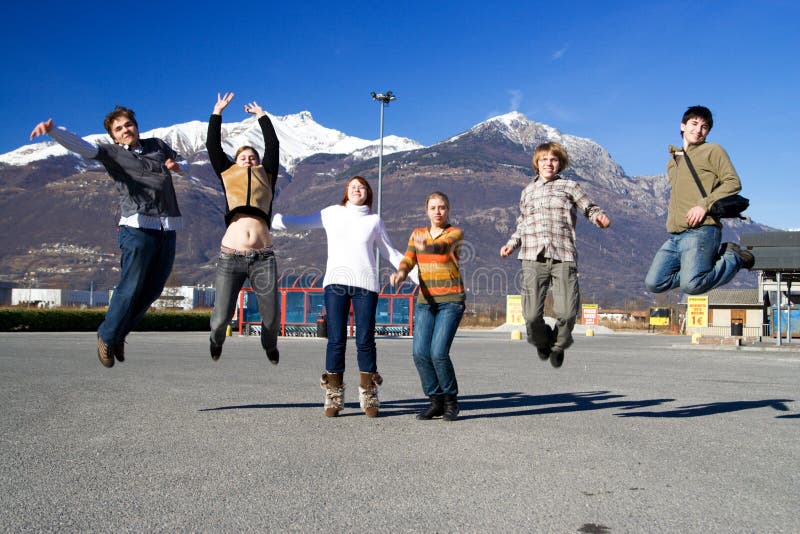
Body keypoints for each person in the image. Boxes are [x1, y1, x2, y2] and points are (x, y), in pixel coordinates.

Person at [29, 107, 186, 368]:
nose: (125, 130)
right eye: (119, 129)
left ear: (136, 125)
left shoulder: (157, 145)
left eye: (128, 125)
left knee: (153, 290)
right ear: (113, 136)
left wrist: (178, 167)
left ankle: (118, 334)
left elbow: (185, 165)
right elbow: (85, 148)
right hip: (137, 228)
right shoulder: (113, 153)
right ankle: (107, 335)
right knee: (131, 286)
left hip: (167, 228)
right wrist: (54, 131)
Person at [272, 176, 412, 417]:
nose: (357, 189)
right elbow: (299, 223)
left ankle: (369, 393)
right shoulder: (332, 213)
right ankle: (334, 395)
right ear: (346, 191)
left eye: (362, 187)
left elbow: (390, 252)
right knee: (336, 339)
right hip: (335, 285)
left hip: (366, 286)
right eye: (353, 186)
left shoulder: (374, 220)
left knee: (365, 340)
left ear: (368, 193)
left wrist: (412, 272)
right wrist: (266, 219)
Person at [500, 141, 610, 368]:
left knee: (567, 313)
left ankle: (558, 344)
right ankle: (542, 341)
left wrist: (598, 217)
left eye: (553, 159)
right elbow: (523, 223)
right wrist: (511, 244)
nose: (548, 163)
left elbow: (589, 207)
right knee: (531, 315)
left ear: (560, 163)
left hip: (563, 255)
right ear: (537, 163)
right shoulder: (527, 191)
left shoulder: (570, 186)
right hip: (532, 255)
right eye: (544, 159)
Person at [644, 106, 753, 296]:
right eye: (694, 124)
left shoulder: (713, 150)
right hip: (675, 235)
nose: (698, 130)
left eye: (704, 127)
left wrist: (704, 205)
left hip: (702, 230)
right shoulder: (673, 162)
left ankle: (734, 257)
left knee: (691, 285)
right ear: (683, 126)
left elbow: (733, 182)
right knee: (655, 282)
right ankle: (697, 269)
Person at [205, 92, 280, 364]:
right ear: (235, 162)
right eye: (243, 157)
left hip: (263, 257)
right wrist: (217, 112)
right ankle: (216, 340)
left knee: (271, 317)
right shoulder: (227, 173)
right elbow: (213, 146)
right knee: (221, 317)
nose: (248, 160)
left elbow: (273, 145)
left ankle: (269, 345)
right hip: (231, 257)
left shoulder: (267, 175)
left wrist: (262, 116)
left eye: (252, 157)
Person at [390, 192, 465, 422]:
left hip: (451, 301)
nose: (437, 212)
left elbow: (442, 248)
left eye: (442, 207)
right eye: (433, 208)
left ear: (448, 210)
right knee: (420, 353)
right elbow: (408, 259)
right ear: (427, 211)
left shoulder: (455, 233)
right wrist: (401, 273)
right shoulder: (417, 234)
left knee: (438, 353)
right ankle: (435, 401)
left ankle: (451, 402)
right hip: (425, 302)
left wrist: (427, 247)